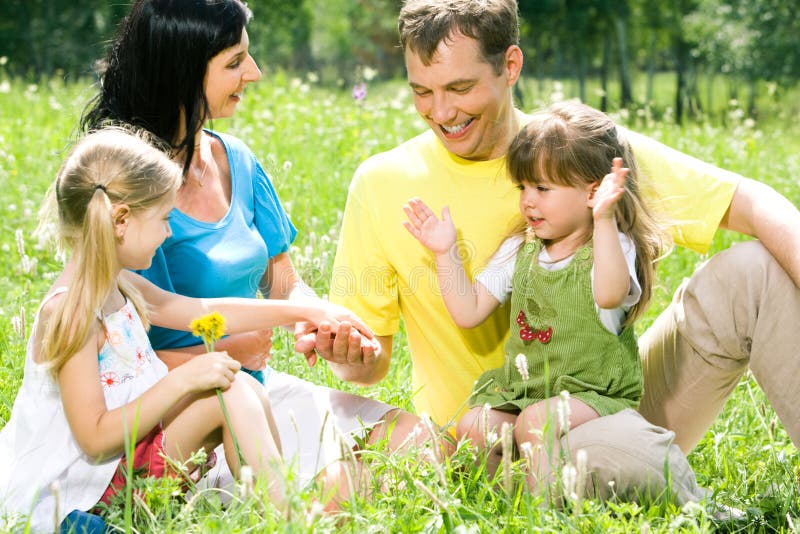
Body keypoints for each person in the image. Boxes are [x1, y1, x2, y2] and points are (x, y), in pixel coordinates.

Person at [331, 0, 800, 502]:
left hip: (604, 399)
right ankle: (604, 491)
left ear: (510, 65)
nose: (441, 112)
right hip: (494, 436)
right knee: (560, 446)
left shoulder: (574, 151)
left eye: (460, 88)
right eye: (422, 91)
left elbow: (752, 202)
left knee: (753, 271)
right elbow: (368, 366)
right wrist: (348, 354)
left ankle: (629, 464)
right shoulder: (382, 184)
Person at [80, 0, 425, 494]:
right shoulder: (128, 192)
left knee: (415, 440)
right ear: (183, 71)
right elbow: (119, 355)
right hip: (186, 415)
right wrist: (228, 353)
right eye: (235, 62)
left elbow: (281, 279)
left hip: (254, 388)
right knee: (340, 489)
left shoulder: (235, 159)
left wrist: (315, 319)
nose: (255, 73)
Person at [0, 128, 377, 531]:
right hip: (84, 492)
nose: (167, 233)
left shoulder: (121, 284)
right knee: (227, 391)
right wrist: (183, 381)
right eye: (163, 220)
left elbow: (203, 309)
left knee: (240, 385)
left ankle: (275, 505)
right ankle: (287, 519)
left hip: (122, 464)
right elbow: (93, 438)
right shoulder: (72, 313)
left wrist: (306, 312)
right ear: (121, 220)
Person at [403, 101, 669, 487]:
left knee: (535, 422)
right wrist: (445, 252)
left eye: (543, 188)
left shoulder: (612, 247)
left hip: (594, 396)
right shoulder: (521, 248)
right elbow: (469, 310)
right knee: (474, 425)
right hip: (526, 392)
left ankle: (541, 514)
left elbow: (611, 295)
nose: (528, 200)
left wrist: (605, 219)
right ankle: (507, 499)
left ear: (593, 192)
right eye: (523, 187)